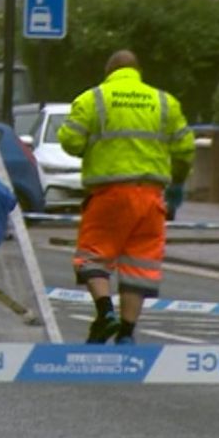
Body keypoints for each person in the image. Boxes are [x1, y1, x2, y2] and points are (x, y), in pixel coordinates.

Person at [57, 50, 194, 345]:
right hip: (151, 197)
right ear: (137, 70)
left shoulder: (94, 99)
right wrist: (176, 186)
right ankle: (127, 333)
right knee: (139, 265)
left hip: (110, 193)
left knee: (92, 256)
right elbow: (185, 148)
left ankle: (106, 313)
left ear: (109, 71)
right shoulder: (164, 102)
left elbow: (69, 141)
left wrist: (90, 149)